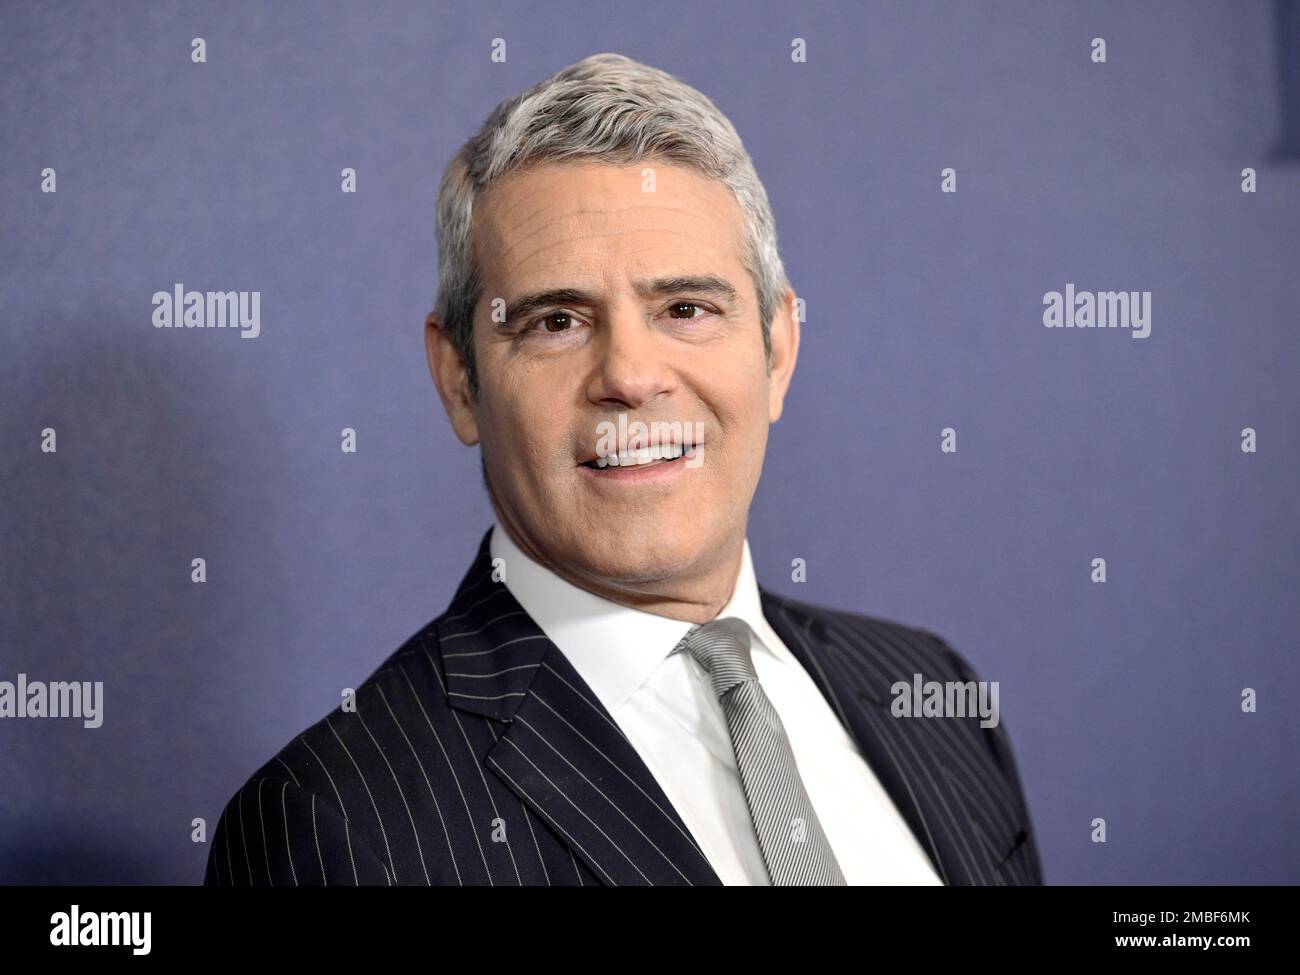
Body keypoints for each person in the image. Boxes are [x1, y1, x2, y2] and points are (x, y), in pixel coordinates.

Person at [204, 52, 1042, 886]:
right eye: (558, 321)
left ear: (778, 350)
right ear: (460, 380)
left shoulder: (931, 690)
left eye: (686, 309)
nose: (632, 377)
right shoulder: (333, 828)